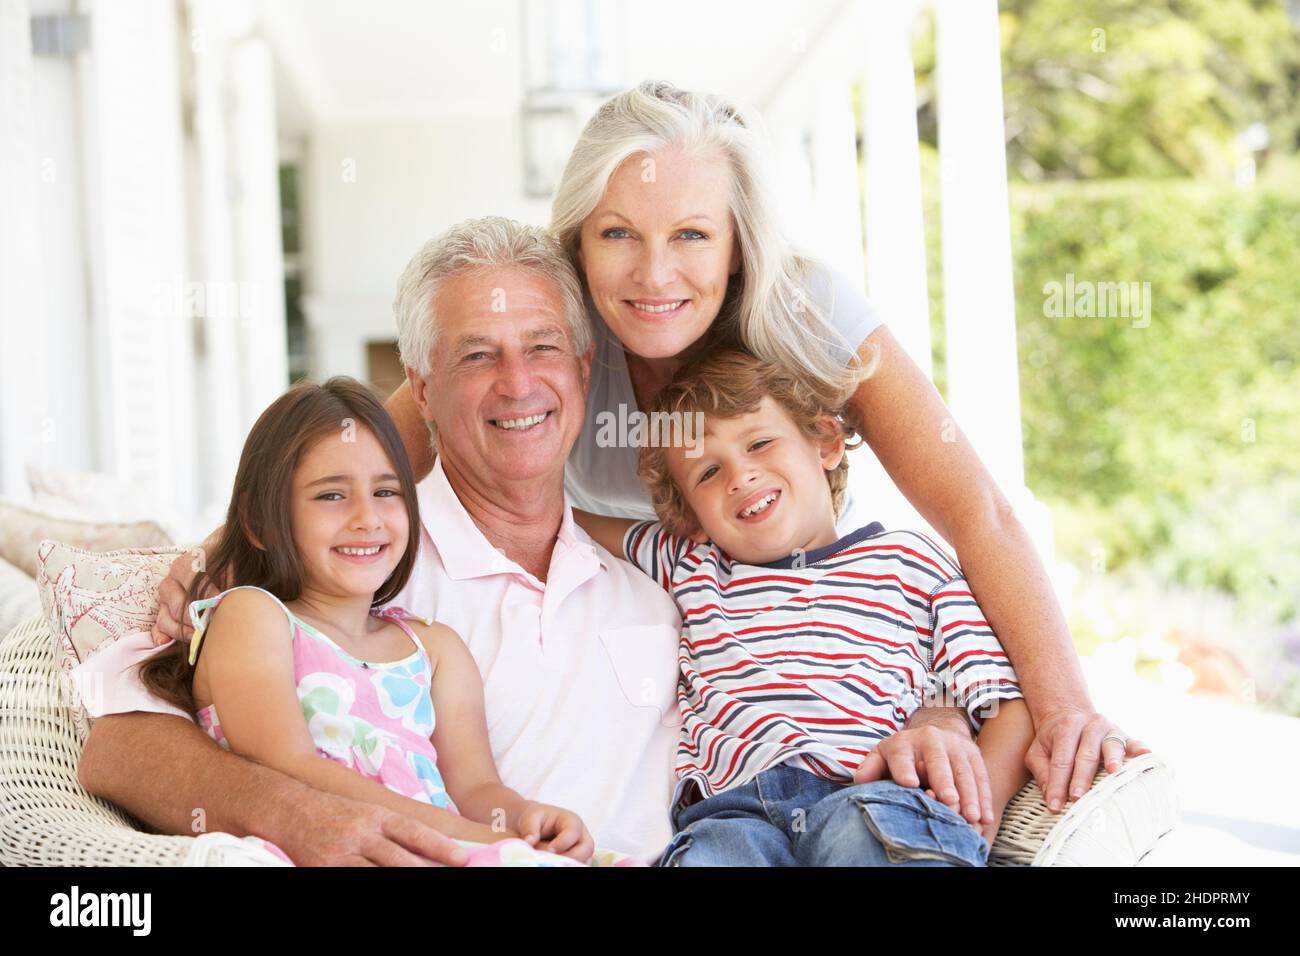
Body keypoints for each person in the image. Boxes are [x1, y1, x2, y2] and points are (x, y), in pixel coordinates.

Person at [380, 81, 1148, 817]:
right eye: (618, 233)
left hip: (830, 645)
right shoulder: (543, 326)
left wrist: (1063, 709)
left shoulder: (805, 309)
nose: (654, 274)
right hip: (664, 647)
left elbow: (977, 511)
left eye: (691, 234)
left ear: (739, 246)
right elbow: (357, 469)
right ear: (578, 241)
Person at [80, 219, 681, 864]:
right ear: (420, 388)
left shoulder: (659, 586)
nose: (517, 382)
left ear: (584, 368)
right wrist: (297, 814)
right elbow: (120, 752)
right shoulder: (356, 575)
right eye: (477, 355)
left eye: (543, 347)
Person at [133, 375, 626, 866]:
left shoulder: (433, 649)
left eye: (386, 492)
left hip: (448, 849)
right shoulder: (253, 617)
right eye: (331, 496)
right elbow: (287, 768)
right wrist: (467, 839)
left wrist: (526, 819)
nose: (367, 518)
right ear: (259, 523)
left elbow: (476, 787)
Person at [573, 350, 1033, 865]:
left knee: (869, 843)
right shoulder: (692, 561)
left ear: (826, 442)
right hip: (731, 814)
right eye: (706, 473)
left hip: (868, 791)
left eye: (760, 443)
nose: (740, 476)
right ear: (690, 519)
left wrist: (972, 815)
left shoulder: (911, 561)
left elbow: (1003, 702)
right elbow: (560, 518)